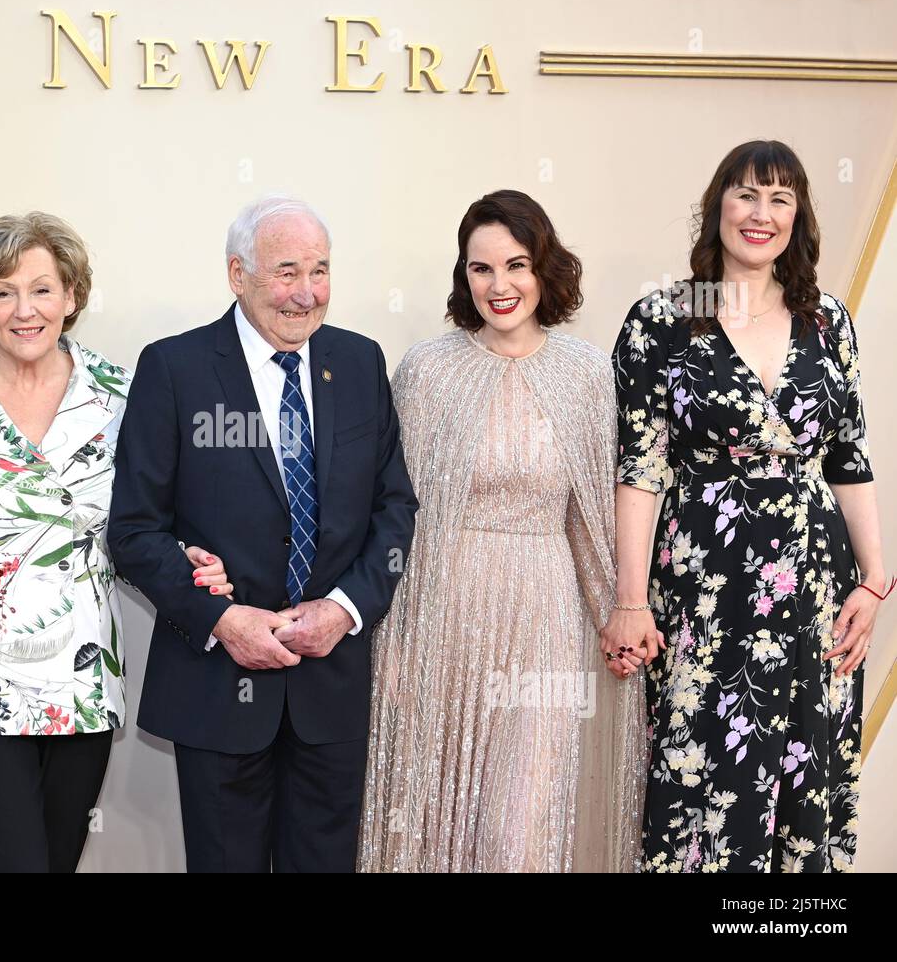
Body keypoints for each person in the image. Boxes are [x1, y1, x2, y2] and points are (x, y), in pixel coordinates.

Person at [108, 195, 418, 872]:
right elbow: (133, 530)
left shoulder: (360, 363)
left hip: (330, 689)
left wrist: (345, 608)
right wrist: (221, 618)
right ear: (237, 273)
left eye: (320, 270)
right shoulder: (174, 368)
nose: (306, 293)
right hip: (219, 686)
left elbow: (394, 509)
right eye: (286, 271)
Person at [604, 140, 889, 872]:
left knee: (804, 771)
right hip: (704, 584)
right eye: (746, 194)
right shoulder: (664, 318)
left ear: (799, 217)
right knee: (699, 770)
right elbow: (639, 468)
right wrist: (631, 600)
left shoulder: (826, 318)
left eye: (780, 198)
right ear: (717, 207)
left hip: (814, 584)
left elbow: (849, 457)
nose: (761, 214)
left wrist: (874, 579)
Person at [0, 212, 233, 872]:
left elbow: (143, 525)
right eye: (3, 291)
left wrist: (189, 559)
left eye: (42, 289)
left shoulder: (121, 394)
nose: (24, 309)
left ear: (71, 296)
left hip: (79, 683)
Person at [359, 190, 647, 873]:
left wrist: (620, 610)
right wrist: (393, 644)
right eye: (480, 268)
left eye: (516, 265)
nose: (500, 285)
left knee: (521, 831)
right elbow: (402, 518)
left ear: (545, 267)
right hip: (447, 616)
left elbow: (589, 520)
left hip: (545, 617)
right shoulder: (428, 371)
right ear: (463, 275)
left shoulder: (585, 372)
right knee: (438, 823)